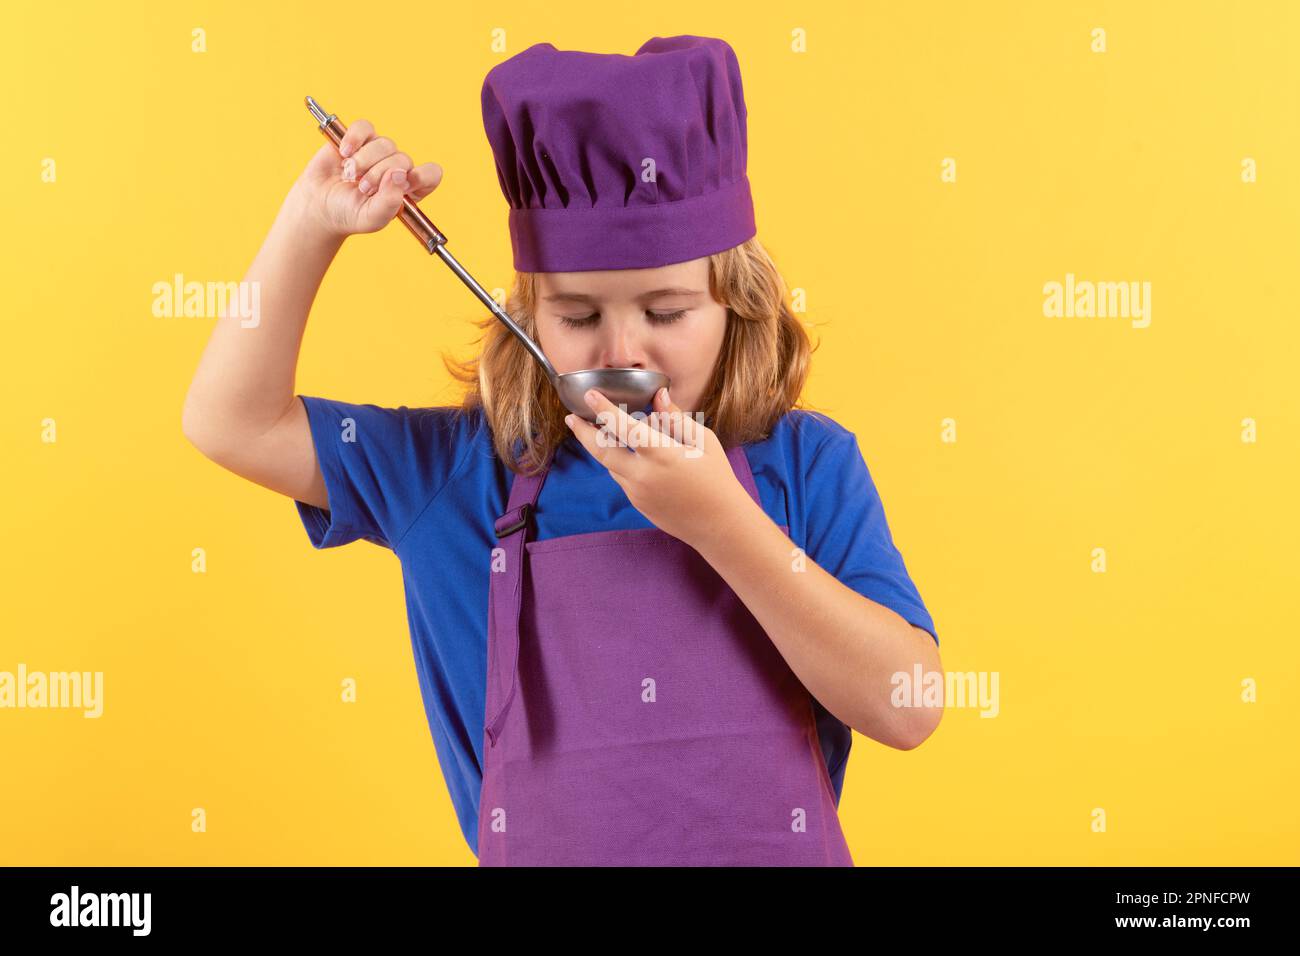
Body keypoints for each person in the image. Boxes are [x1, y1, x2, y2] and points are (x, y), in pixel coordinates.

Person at [183, 34, 943, 866]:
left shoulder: (807, 465)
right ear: (528, 313)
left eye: (667, 312)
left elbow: (907, 706)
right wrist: (309, 225)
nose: (623, 352)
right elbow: (230, 421)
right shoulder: (458, 473)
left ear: (739, 302)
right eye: (578, 317)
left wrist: (723, 524)